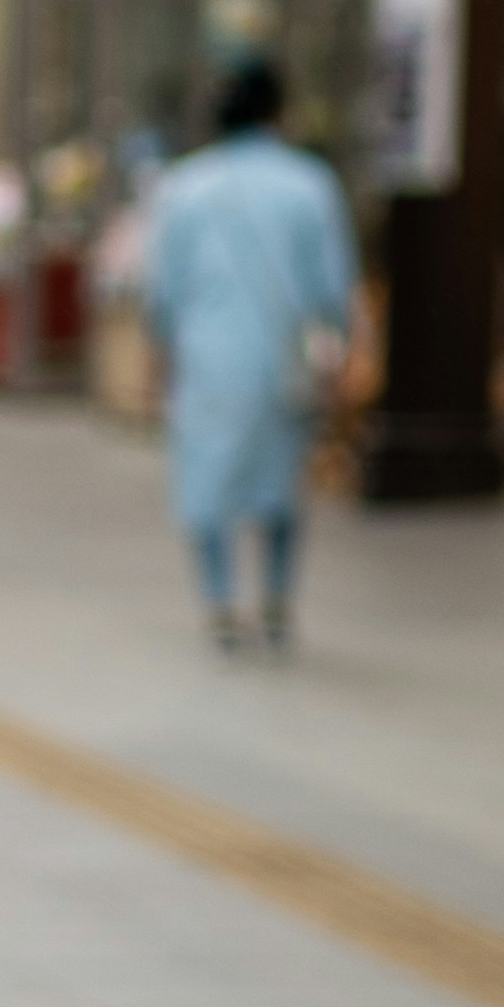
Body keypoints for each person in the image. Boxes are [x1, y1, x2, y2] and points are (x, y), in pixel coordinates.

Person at [141, 56, 358, 649]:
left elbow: (161, 291)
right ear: (278, 111)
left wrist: (157, 359)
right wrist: (341, 359)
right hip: (283, 359)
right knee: (281, 484)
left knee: (206, 482)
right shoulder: (310, 183)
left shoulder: (183, 186)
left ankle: (219, 605)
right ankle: (277, 603)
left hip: (206, 359)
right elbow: (334, 290)